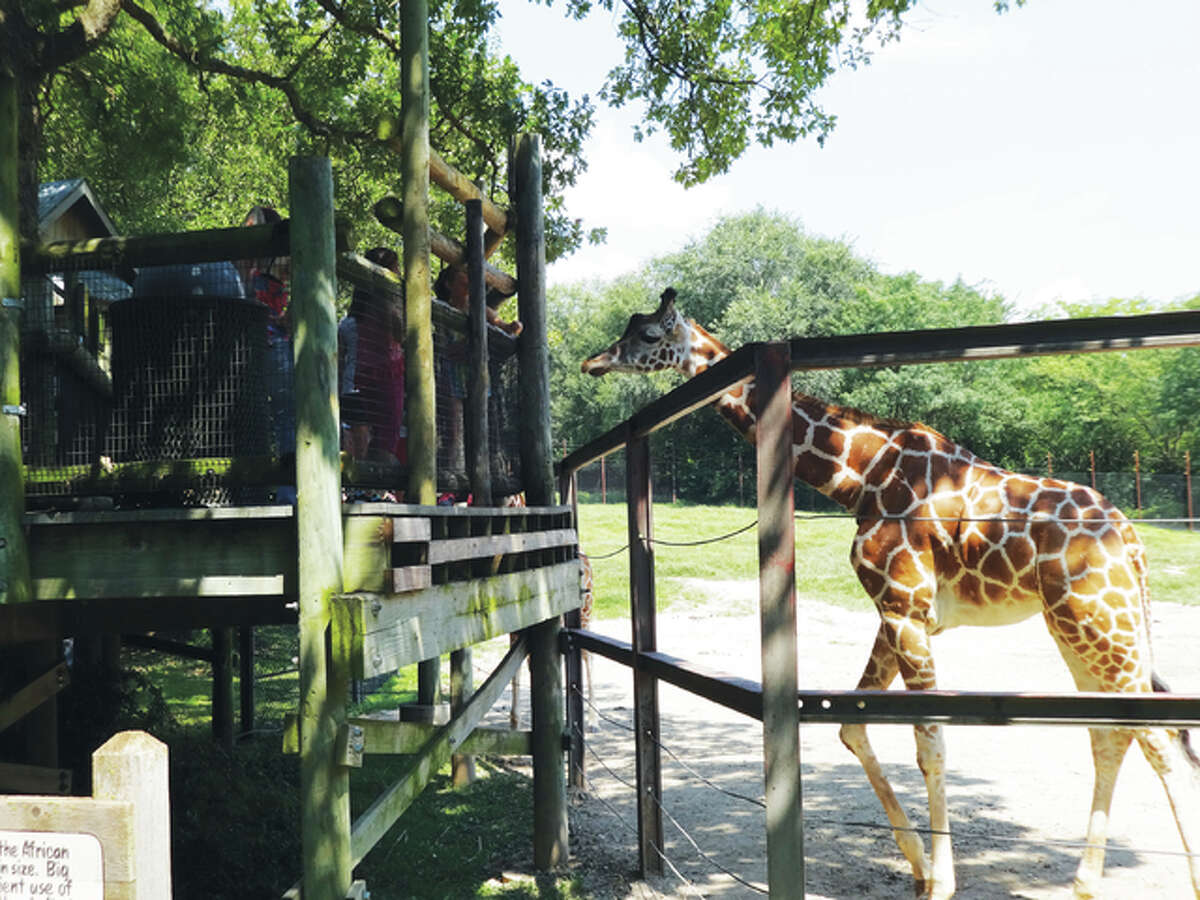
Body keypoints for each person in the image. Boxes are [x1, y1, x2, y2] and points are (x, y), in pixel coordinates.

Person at [240, 205, 294, 502]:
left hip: (269, 346)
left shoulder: (273, 258)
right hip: (253, 347)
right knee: (264, 417)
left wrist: (285, 319)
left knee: (280, 417)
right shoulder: (251, 261)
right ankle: (258, 493)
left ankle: (284, 494)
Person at [339, 247, 403, 464]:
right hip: (376, 386)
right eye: (396, 270)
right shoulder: (389, 313)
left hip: (351, 388)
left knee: (358, 443)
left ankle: (363, 488)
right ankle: (370, 489)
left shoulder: (349, 323)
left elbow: (340, 358)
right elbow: (402, 334)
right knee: (377, 442)